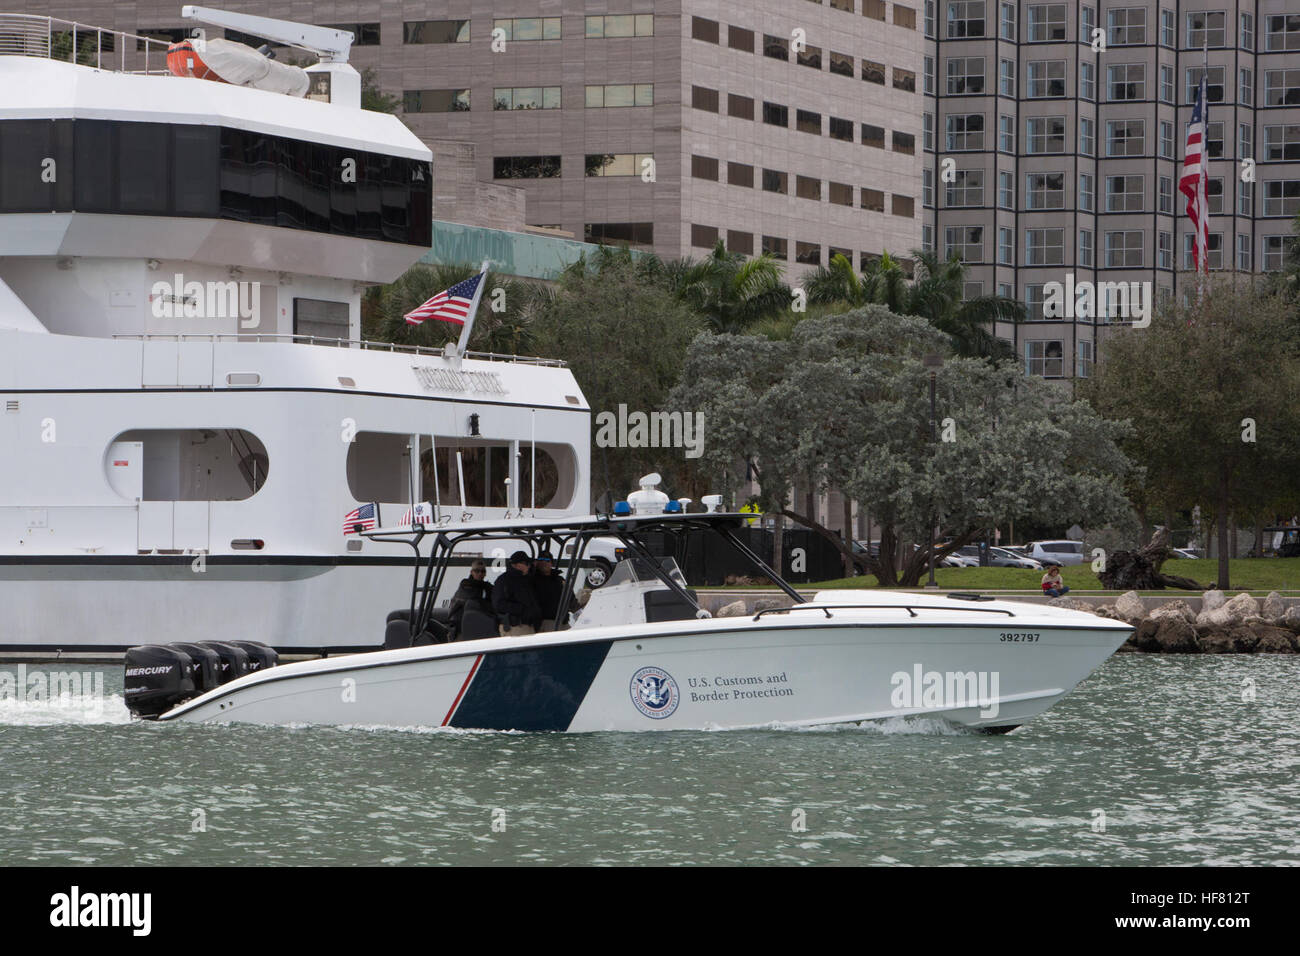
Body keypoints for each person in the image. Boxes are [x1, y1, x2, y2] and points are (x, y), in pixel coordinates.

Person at [492, 550, 541, 636]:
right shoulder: (504, 580)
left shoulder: (526, 580)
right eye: (527, 564)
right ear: (517, 565)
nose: (529, 567)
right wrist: (522, 609)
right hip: (515, 628)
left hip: (528, 626)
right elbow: (498, 604)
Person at [447, 559, 493, 639]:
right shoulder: (465, 585)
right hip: (460, 628)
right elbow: (474, 602)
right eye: (477, 571)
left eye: (482, 571)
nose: (480, 573)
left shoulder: (486, 587)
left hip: (478, 627)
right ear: (471, 572)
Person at [531, 550, 566, 631]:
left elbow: (570, 598)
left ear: (551, 563)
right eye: (541, 560)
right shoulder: (532, 579)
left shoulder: (559, 579)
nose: (544, 563)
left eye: (547, 560)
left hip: (563, 620)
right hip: (545, 621)